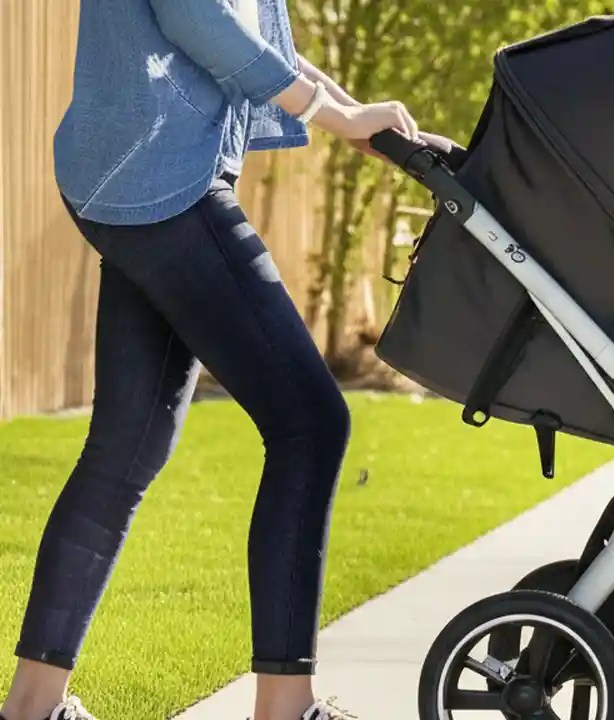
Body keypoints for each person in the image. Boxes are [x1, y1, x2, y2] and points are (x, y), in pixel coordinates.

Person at [0, 2, 460, 719]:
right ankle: (285, 708)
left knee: (127, 446)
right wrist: (338, 118)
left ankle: (32, 706)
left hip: (140, 173)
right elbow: (199, 21)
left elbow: (252, 39)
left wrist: (353, 116)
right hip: (161, 180)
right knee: (309, 423)